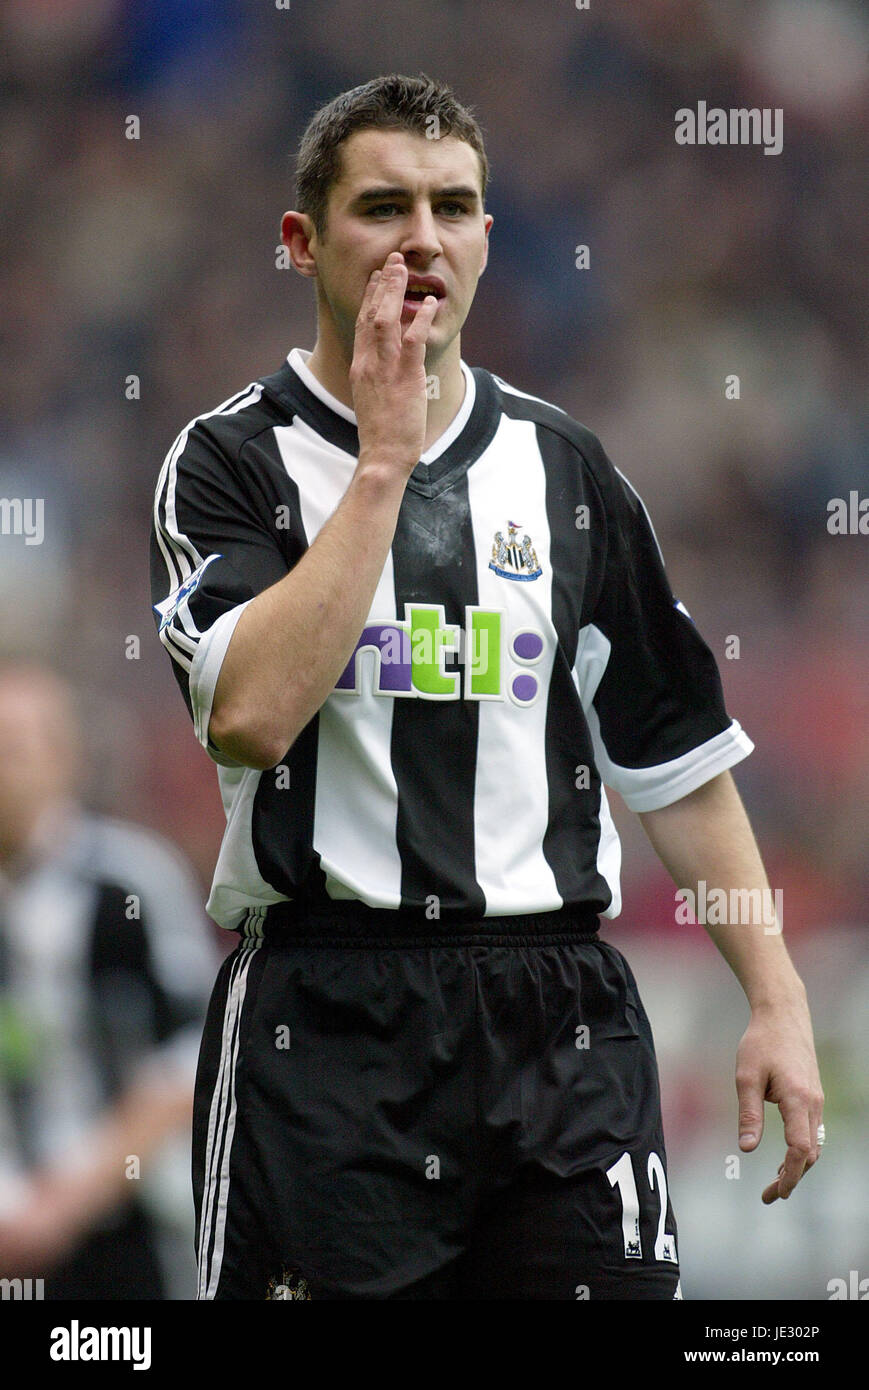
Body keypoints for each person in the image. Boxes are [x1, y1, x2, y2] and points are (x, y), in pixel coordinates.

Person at [149, 73, 824, 1300]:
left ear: (485, 238)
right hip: (327, 1020)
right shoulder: (226, 463)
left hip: (557, 1019)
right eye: (383, 207)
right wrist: (384, 465)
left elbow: (674, 760)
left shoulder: (564, 468)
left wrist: (773, 997)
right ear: (301, 241)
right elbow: (249, 715)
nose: (422, 239)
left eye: (452, 207)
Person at [0, 661, 216, 1298]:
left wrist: (69, 1197)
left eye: (13, 747)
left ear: (64, 757)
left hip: (131, 1233)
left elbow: (194, 1054)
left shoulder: (129, 882)